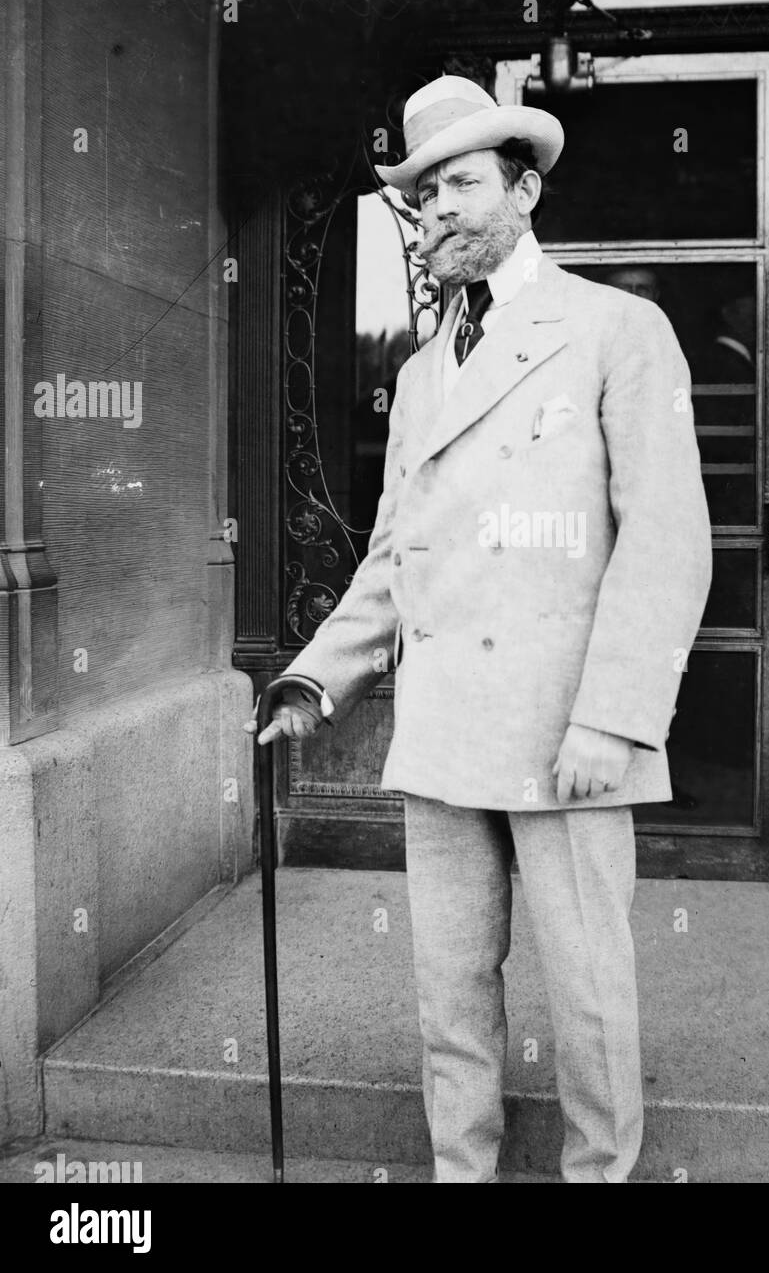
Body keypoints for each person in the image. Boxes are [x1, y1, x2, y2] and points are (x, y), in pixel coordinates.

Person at [250, 74, 712, 1183]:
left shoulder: (615, 330)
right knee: (448, 988)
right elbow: (392, 557)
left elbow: (666, 540)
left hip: (569, 730)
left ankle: (597, 1175)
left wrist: (614, 717)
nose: (439, 210)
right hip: (449, 732)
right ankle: (464, 1174)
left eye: (461, 182)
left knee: (587, 987)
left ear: (525, 189)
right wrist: (317, 679)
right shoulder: (416, 378)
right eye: (421, 196)